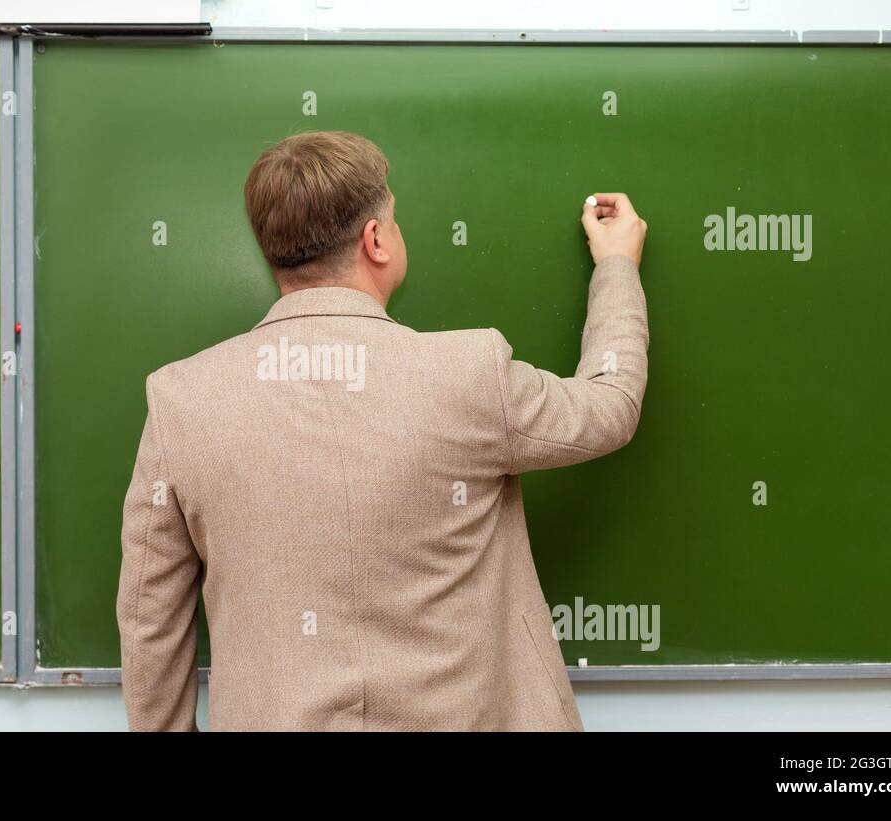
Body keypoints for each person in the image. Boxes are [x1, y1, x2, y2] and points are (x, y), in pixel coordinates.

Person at [116, 130, 649, 731]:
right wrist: (616, 267)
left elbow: (149, 616)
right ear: (376, 241)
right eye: (392, 220)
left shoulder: (182, 399)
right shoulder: (470, 375)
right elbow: (610, 405)